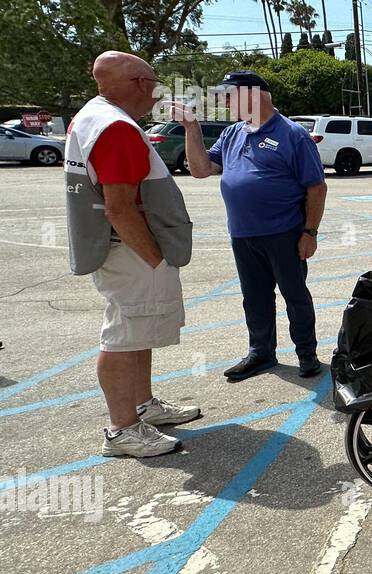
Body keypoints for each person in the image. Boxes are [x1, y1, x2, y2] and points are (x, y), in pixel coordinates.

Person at [64, 51, 200, 459]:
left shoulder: (92, 116)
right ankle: (123, 429)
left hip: (123, 249)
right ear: (140, 84)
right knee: (123, 335)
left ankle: (143, 406)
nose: (157, 94)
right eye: (154, 84)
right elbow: (118, 207)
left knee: (136, 331)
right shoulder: (117, 128)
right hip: (130, 251)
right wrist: (153, 257)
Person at [182, 71, 327, 382]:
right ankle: (261, 353)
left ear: (256, 95)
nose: (226, 101)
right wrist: (191, 129)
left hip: (285, 233)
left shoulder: (292, 134)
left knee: (295, 295)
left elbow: (316, 188)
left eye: (231, 94)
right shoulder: (233, 133)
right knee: (255, 297)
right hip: (243, 234)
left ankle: (307, 353)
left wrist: (309, 233)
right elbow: (201, 169)